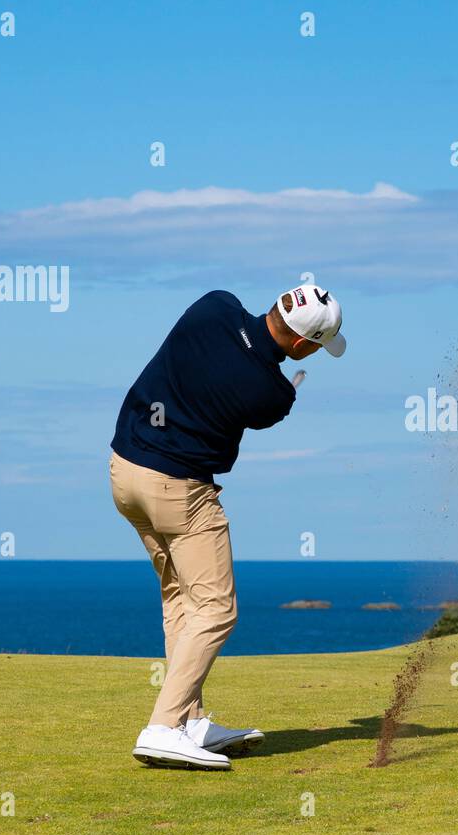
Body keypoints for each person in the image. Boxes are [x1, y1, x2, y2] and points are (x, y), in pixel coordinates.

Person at [108, 285, 345, 769]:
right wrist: (279, 380)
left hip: (124, 472)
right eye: (318, 346)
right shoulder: (274, 394)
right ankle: (161, 727)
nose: (315, 353)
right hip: (179, 490)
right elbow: (262, 399)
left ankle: (189, 721)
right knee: (216, 609)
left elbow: (225, 350)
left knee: (181, 599)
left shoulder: (213, 304)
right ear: (302, 345)